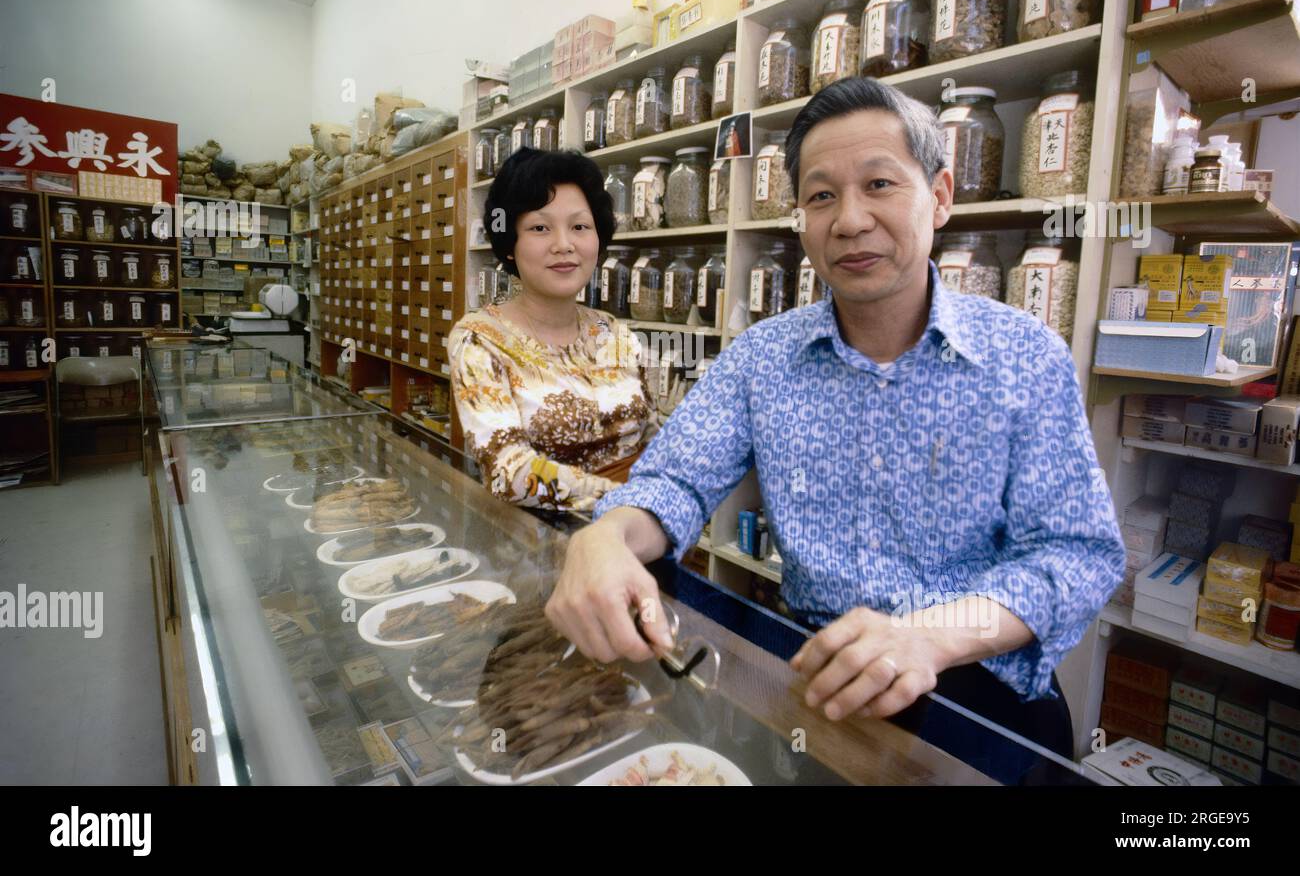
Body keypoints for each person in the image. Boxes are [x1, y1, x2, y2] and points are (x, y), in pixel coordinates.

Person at [545, 77, 1124, 755]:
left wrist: (929, 635)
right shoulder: (763, 356)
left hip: (977, 690)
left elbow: (1076, 553)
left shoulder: (1024, 355)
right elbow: (676, 481)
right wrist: (605, 539)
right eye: (821, 195)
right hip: (817, 679)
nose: (849, 220)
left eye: (879, 184)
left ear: (939, 198)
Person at [449, 147, 656, 511]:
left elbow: (651, 434)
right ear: (510, 243)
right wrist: (629, 502)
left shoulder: (611, 331)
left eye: (579, 226)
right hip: (539, 547)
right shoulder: (479, 339)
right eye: (540, 228)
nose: (564, 245)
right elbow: (508, 470)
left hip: (639, 537)